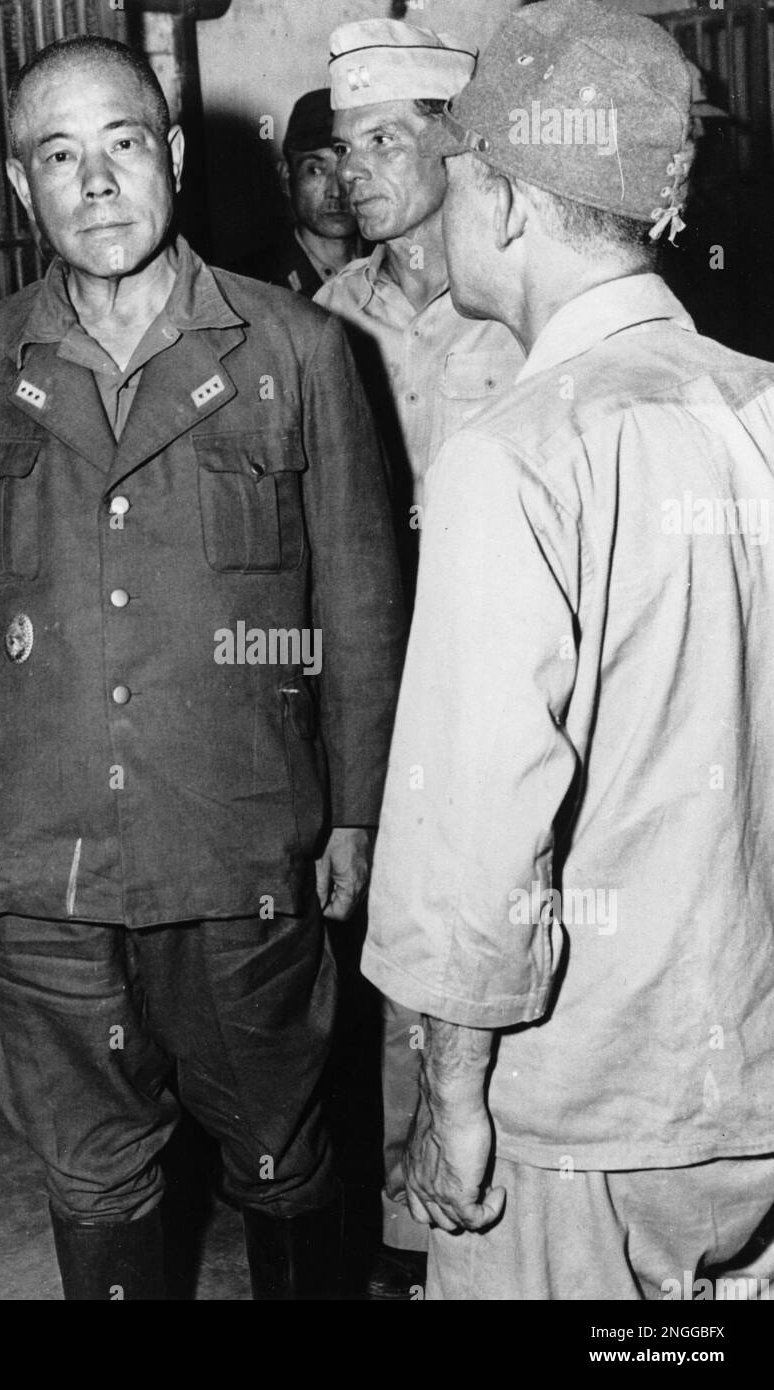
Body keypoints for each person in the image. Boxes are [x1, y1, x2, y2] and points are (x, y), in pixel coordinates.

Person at [0, 35, 404, 1301]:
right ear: (20, 186)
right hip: (30, 845)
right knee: (91, 1170)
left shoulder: (297, 350)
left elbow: (363, 603)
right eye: (60, 155)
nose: (97, 181)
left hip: (236, 846)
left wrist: (363, 809)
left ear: (168, 156)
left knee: (278, 1149)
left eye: (122, 144)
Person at [363, 0, 774, 1300]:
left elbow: (479, 827)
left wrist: (455, 1091)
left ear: (506, 201)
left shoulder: (520, 452)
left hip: (585, 1106)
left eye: (458, 171)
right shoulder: (760, 403)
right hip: (747, 1077)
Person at [315, 15, 524, 1300]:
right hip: (381, 692)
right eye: (346, 149)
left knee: (495, 941)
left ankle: (482, 1220)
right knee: (394, 958)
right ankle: (406, 1238)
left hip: (509, 691)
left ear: (459, 146)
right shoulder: (324, 319)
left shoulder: (516, 311)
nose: (358, 171)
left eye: (389, 140)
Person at [238, 88, 361, 297]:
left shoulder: (395, 269)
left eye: (345, 167)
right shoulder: (248, 285)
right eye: (315, 170)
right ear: (287, 177)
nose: (335, 191)